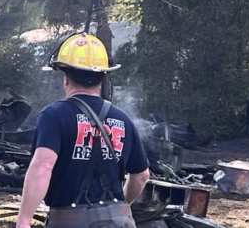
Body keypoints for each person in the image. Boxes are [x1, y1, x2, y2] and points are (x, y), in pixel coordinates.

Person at [15, 33, 150, 228]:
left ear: (65, 77)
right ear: (103, 77)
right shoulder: (123, 119)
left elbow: (43, 167)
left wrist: (24, 220)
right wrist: (122, 206)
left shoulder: (54, 115)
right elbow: (142, 175)